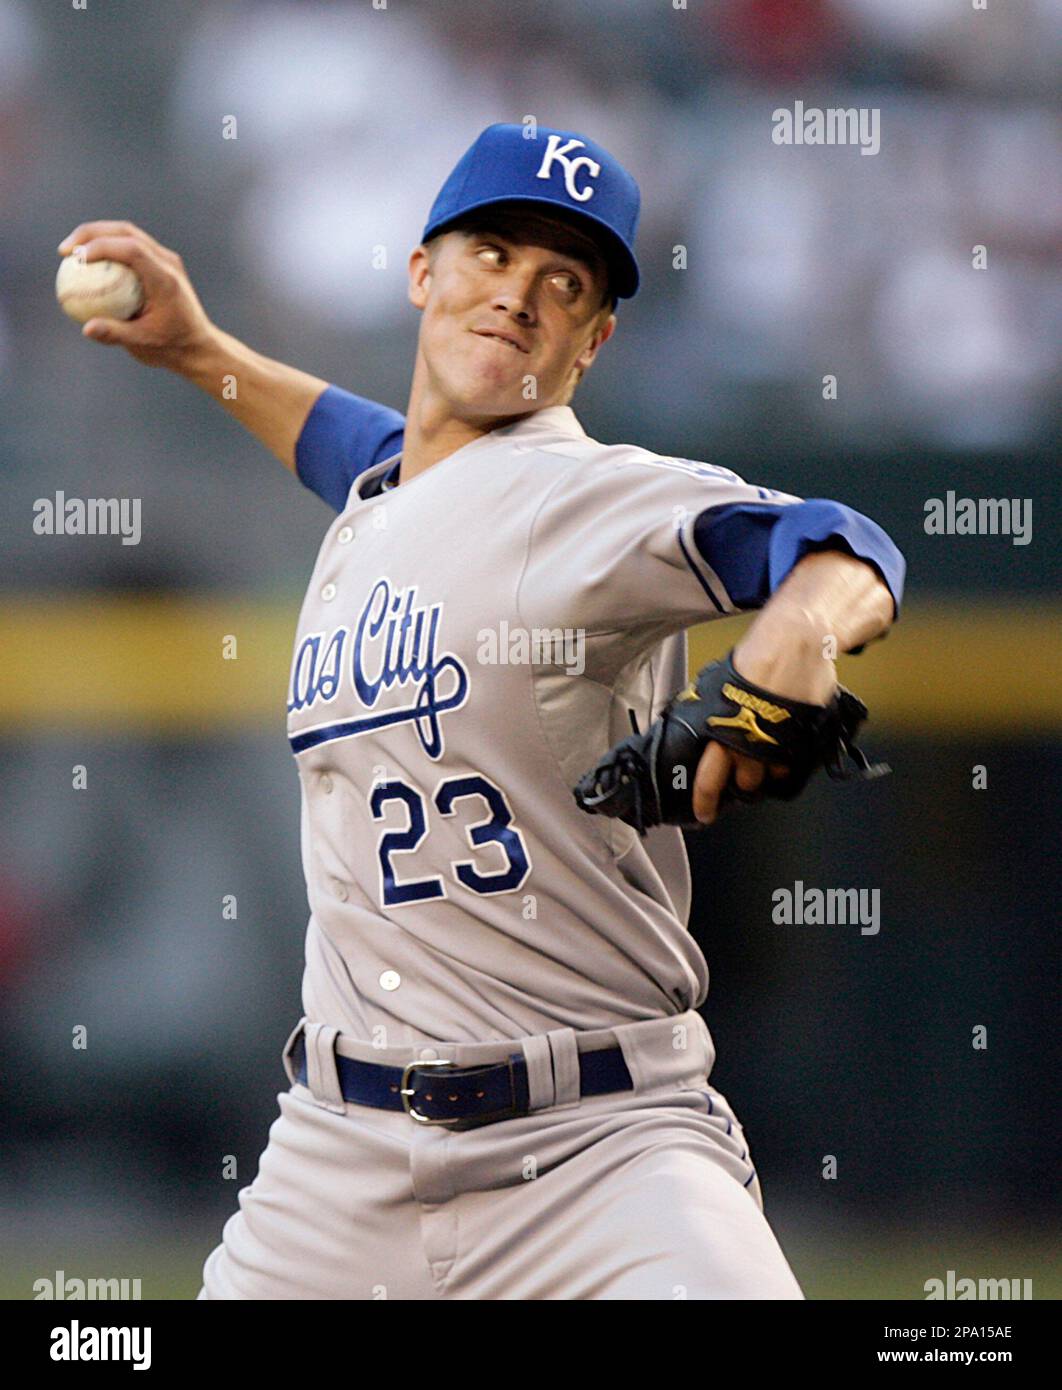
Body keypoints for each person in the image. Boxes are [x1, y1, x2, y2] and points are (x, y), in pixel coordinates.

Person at [59, 123, 904, 1299]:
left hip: (599, 1148)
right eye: (494, 255)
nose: (518, 295)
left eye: (565, 284)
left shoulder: (592, 499)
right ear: (423, 272)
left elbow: (843, 545)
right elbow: (362, 448)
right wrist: (202, 351)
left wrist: (802, 627)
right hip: (338, 1156)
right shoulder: (387, 493)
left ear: (593, 341)